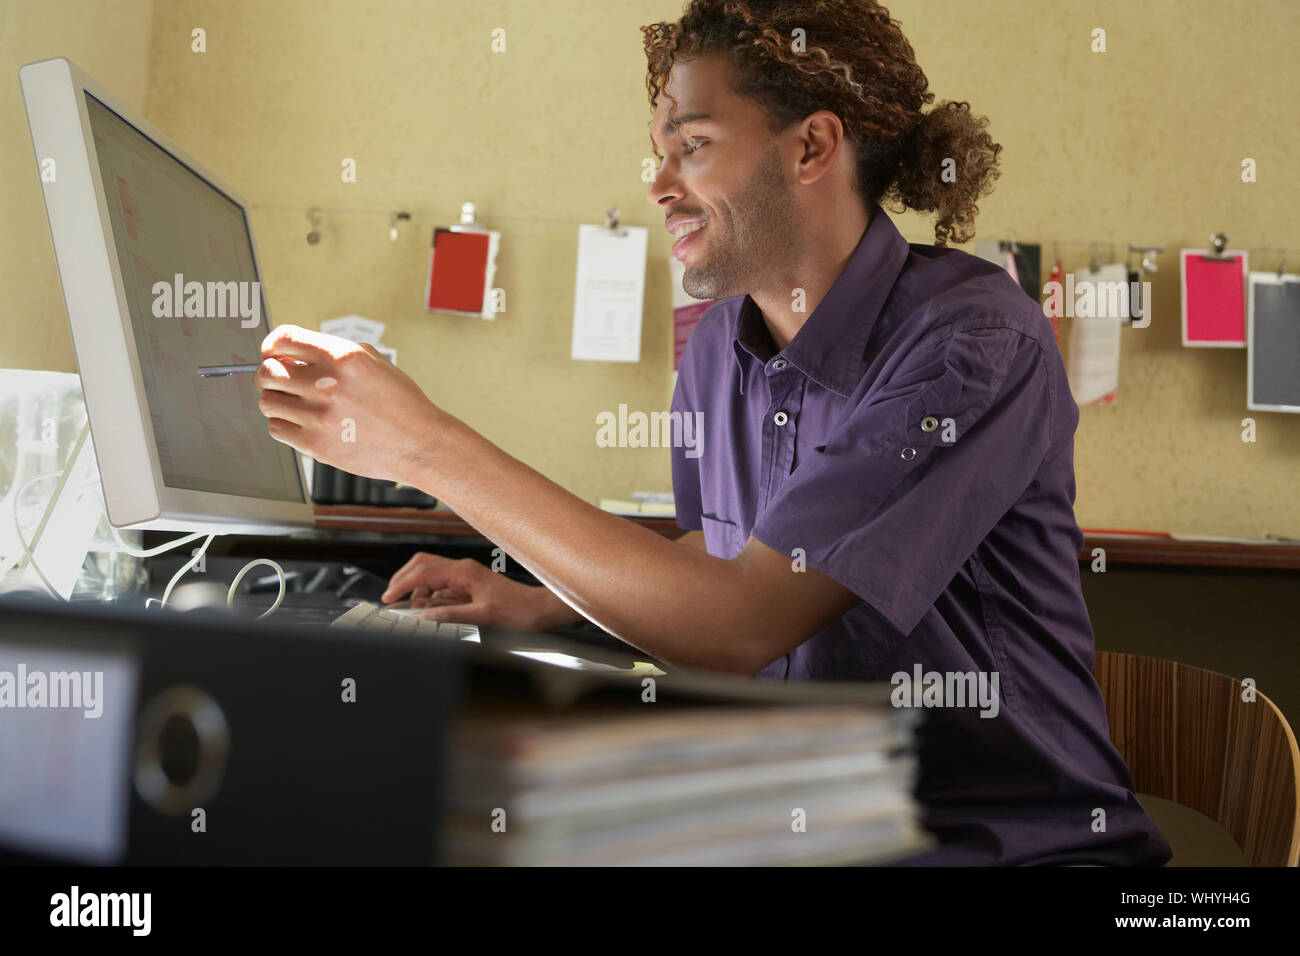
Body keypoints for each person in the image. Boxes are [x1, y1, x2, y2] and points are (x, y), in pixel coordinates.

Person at [254, 0, 1171, 866]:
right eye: (658, 151)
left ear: (812, 145)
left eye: (691, 146)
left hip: (1000, 847)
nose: (657, 186)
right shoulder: (717, 351)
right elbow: (717, 554)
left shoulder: (971, 343)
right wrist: (540, 601)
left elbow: (741, 623)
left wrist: (423, 447)